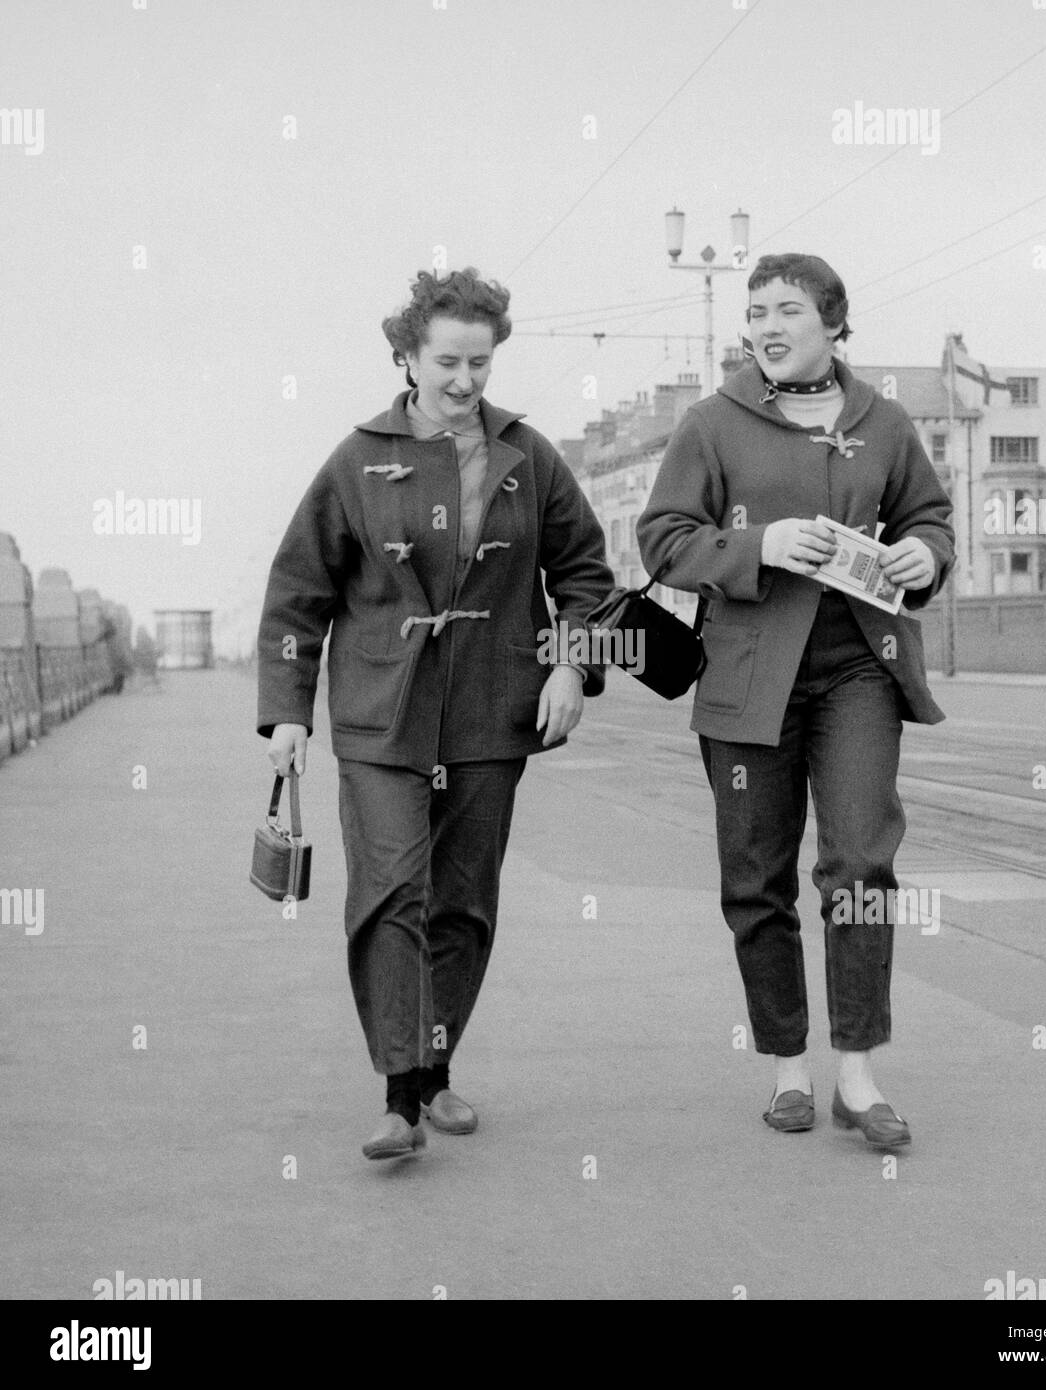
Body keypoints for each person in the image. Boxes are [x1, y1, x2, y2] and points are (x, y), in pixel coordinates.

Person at [257, 267, 614, 1161]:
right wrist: (287, 713)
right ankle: (398, 1093)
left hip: (496, 709)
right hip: (382, 711)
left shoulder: (527, 456)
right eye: (447, 361)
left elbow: (586, 576)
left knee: (463, 904)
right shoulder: (355, 459)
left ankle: (437, 1072)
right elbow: (298, 591)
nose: (464, 381)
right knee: (388, 896)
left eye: (480, 364)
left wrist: (572, 663)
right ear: (407, 356)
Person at [637, 253, 954, 1151]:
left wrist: (924, 555)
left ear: (831, 323)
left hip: (859, 671)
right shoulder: (712, 423)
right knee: (756, 879)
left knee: (859, 864)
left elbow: (930, 517)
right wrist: (761, 543)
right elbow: (661, 540)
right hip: (747, 680)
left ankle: (856, 1071)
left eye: (786, 310)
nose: (767, 326)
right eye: (755, 311)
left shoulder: (884, 422)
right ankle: (787, 1065)